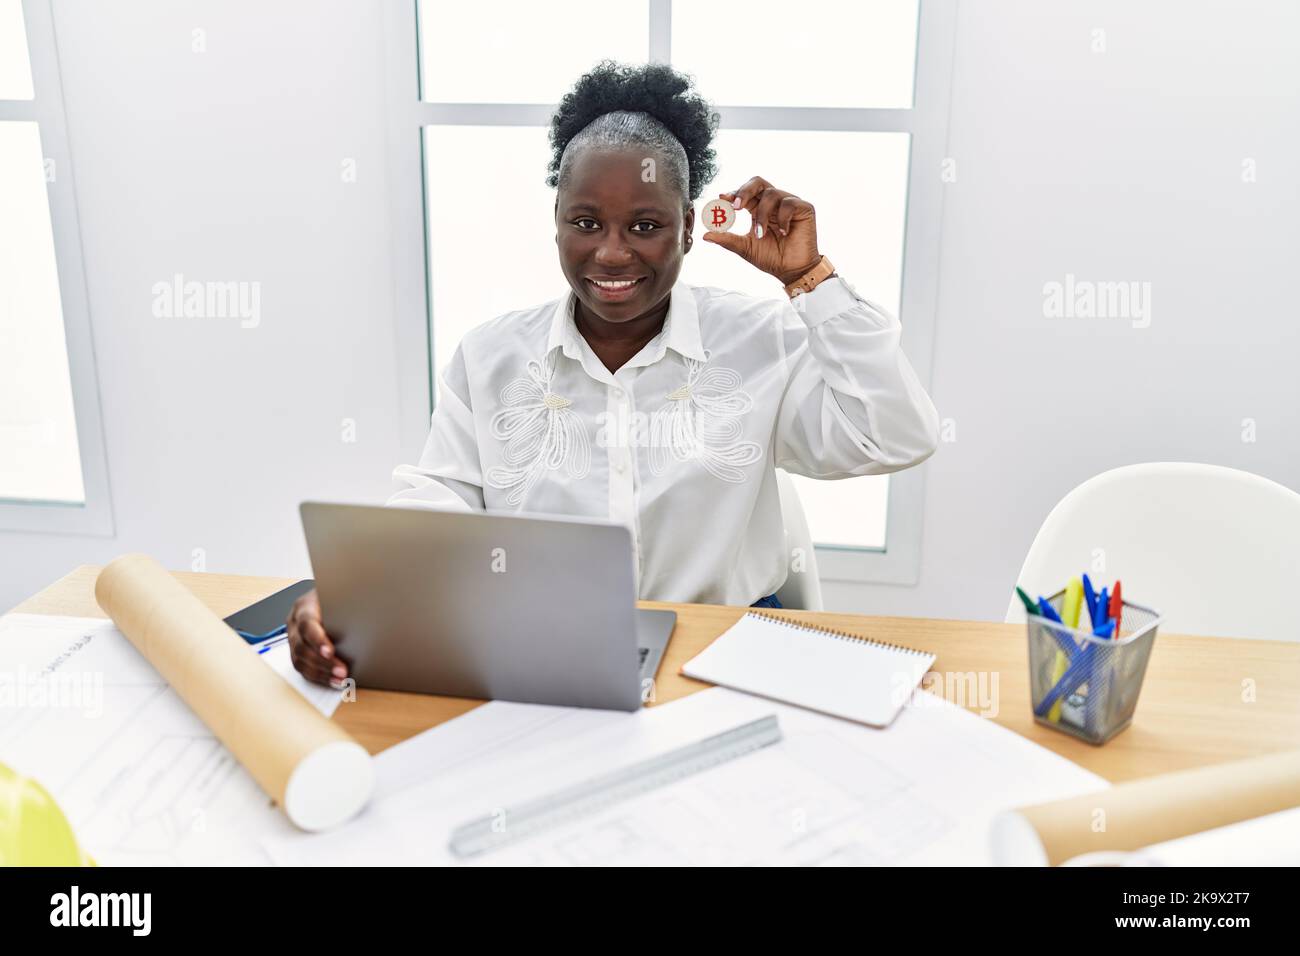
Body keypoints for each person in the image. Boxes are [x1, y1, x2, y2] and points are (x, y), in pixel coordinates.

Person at [289, 60, 939, 686]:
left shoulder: (761, 343)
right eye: (586, 222)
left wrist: (809, 279)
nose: (612, 251)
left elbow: (896, 436)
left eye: (646, 225)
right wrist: (355, 596)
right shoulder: (489, 357)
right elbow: (442, 503)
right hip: (546, 653)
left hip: (724, 656)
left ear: (689, 229)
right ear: (556, 224)